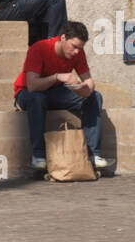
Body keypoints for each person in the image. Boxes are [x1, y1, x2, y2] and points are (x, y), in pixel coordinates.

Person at [13, 21, 113, 172]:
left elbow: (89, 82)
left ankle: (93, 155)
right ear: (63, 38)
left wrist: (84, 89)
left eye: (80, 48)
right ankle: (39, 157)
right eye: (74, 46)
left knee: (95, 97)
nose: (77, 52)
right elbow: (32, 86)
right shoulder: (39, 48)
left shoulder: (77, 53)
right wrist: (58, 77)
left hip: (55, 93)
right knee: (37, 98)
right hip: (27, 93)